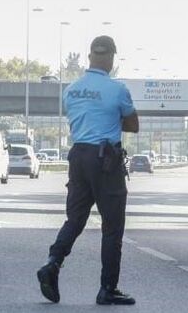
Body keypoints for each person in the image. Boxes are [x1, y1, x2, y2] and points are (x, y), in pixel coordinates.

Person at [38, 35, 140, 306]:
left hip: (78, 157)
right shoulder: (117, 89)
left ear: (89, 57)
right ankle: (108, 288)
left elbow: (75, 117)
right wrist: (113, 117)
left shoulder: (71, 90)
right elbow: (133, 124)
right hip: (106, 159)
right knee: (112, 226)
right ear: (111, 59)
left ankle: (53, 262)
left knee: (75, 219)